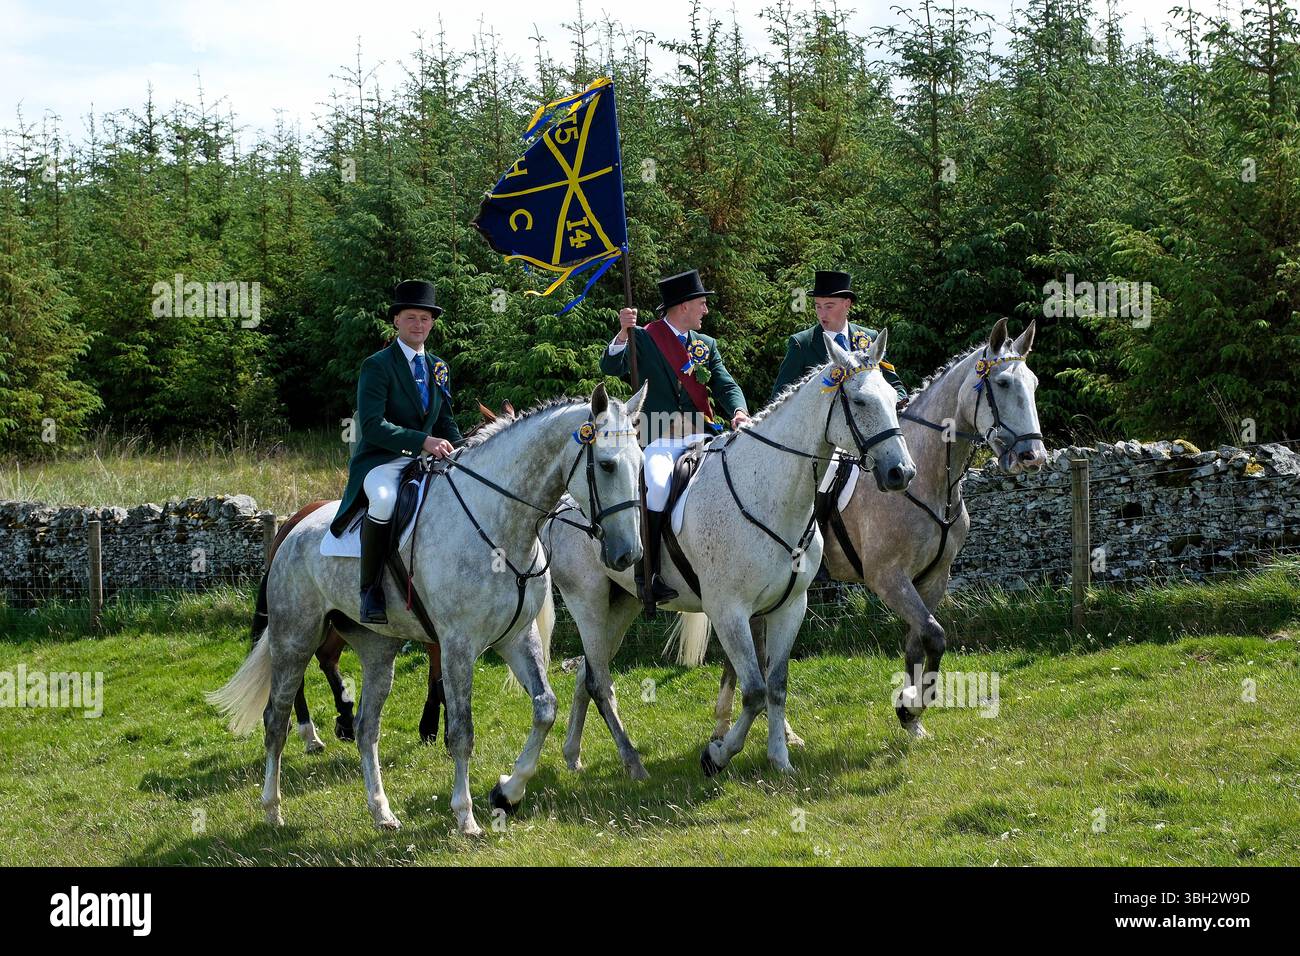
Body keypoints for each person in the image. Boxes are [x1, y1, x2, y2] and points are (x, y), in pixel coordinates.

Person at [600, 268, 749, 603]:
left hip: (703, 435)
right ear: (683, 306)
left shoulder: (706, 345)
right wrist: (624, 334)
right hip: (659, 437)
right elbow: (611, 368)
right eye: (701, 303)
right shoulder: (644, 338)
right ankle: (648, 575)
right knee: (657, 487)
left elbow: (725, 384)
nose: (705, 310)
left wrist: (738, 411)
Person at [329, 280, 463, 624]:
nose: (419, 324)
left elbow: (446, 422)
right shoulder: (377, 365)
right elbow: (372, 426)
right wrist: (422, 441)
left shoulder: (439, 367)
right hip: (382, 459)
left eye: (425, 318)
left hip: (426, 459)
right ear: (397, 321)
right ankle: (370, 589)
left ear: (432, 323)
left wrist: (465, 452)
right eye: (411, 317)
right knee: (385, 500)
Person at [770, 270, 907, 403]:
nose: (822, 314)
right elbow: (779, 399)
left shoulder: (869, 337)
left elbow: (895, 386)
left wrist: (894, 406)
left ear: (846, 304)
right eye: (818, 306)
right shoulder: (802, 343)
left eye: (829, 307)